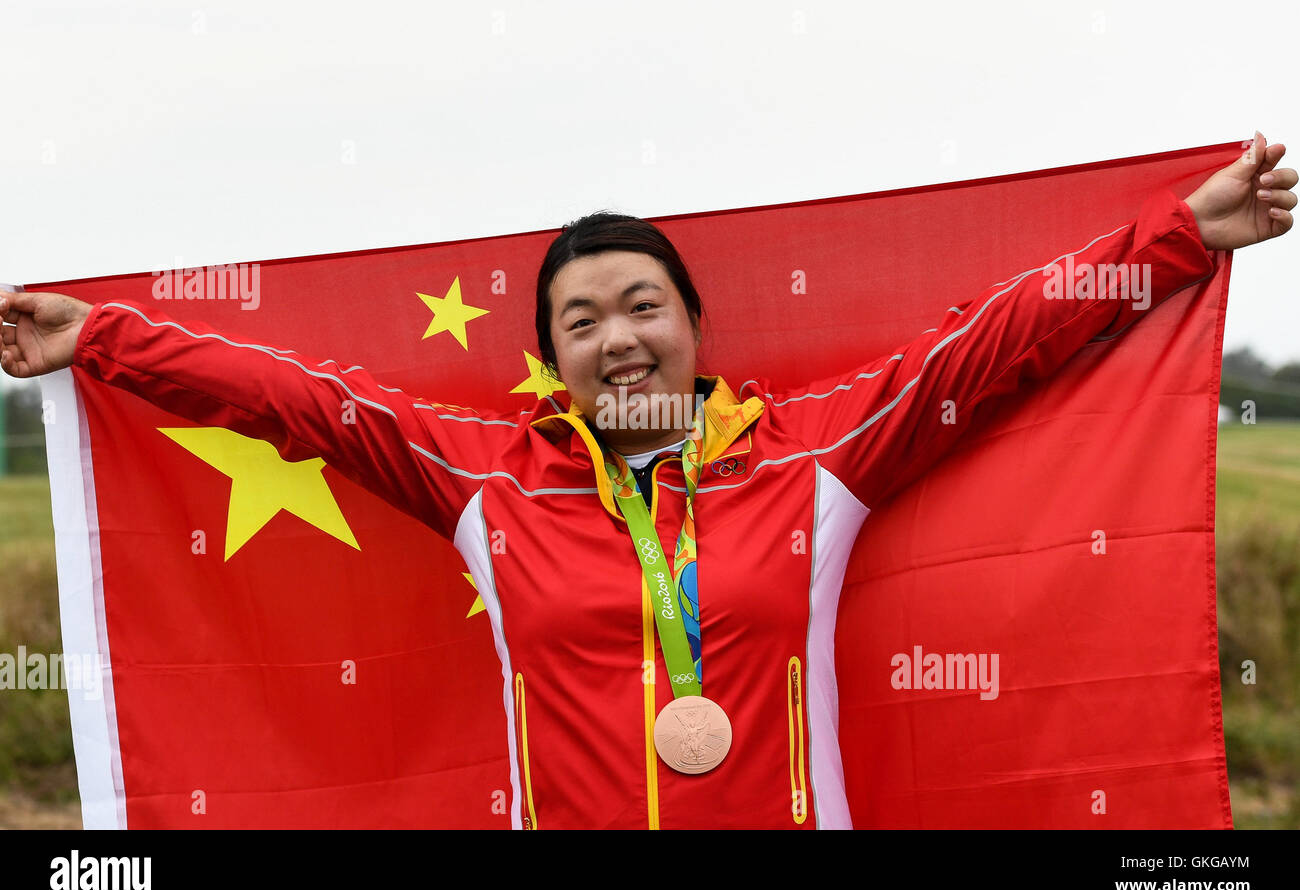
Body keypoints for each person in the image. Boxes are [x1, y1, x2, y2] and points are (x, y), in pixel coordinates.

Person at [2, 135, 1294, 829]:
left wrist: (1182, 233)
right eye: (581, 321)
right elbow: (297, 402)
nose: (617, 338)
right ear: (552, 359)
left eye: (641, 305)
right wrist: (101, 339)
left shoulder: (815, 455)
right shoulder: (484, 481)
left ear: (691, 323)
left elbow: (995, 345)